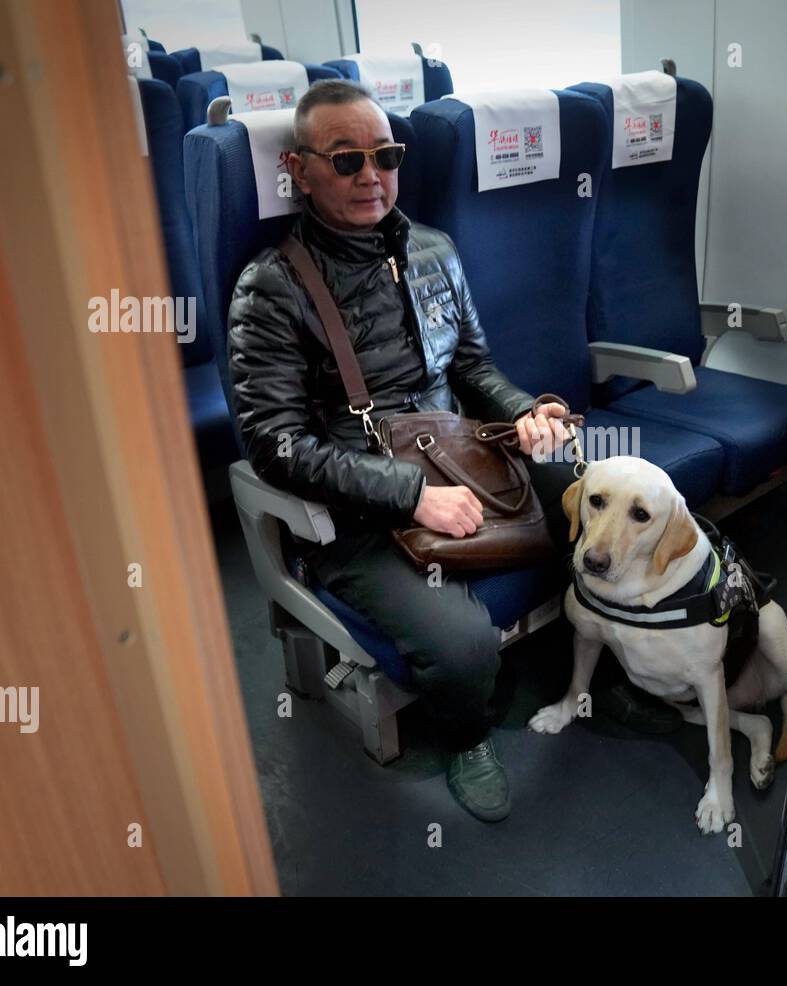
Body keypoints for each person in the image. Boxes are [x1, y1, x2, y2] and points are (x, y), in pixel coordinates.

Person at [228, 80, 678, 823]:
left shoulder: (434, 248)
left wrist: (527, 412)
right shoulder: (270, 290)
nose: (371, 174)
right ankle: (468, 733)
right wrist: (407, 494)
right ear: (299, 171)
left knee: (588, 490)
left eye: (385, 154)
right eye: (345, 160)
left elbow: (472, 367)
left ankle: (619, 663)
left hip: (459, 454)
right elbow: (277, 447)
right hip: (355, 512)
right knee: (466, 644)